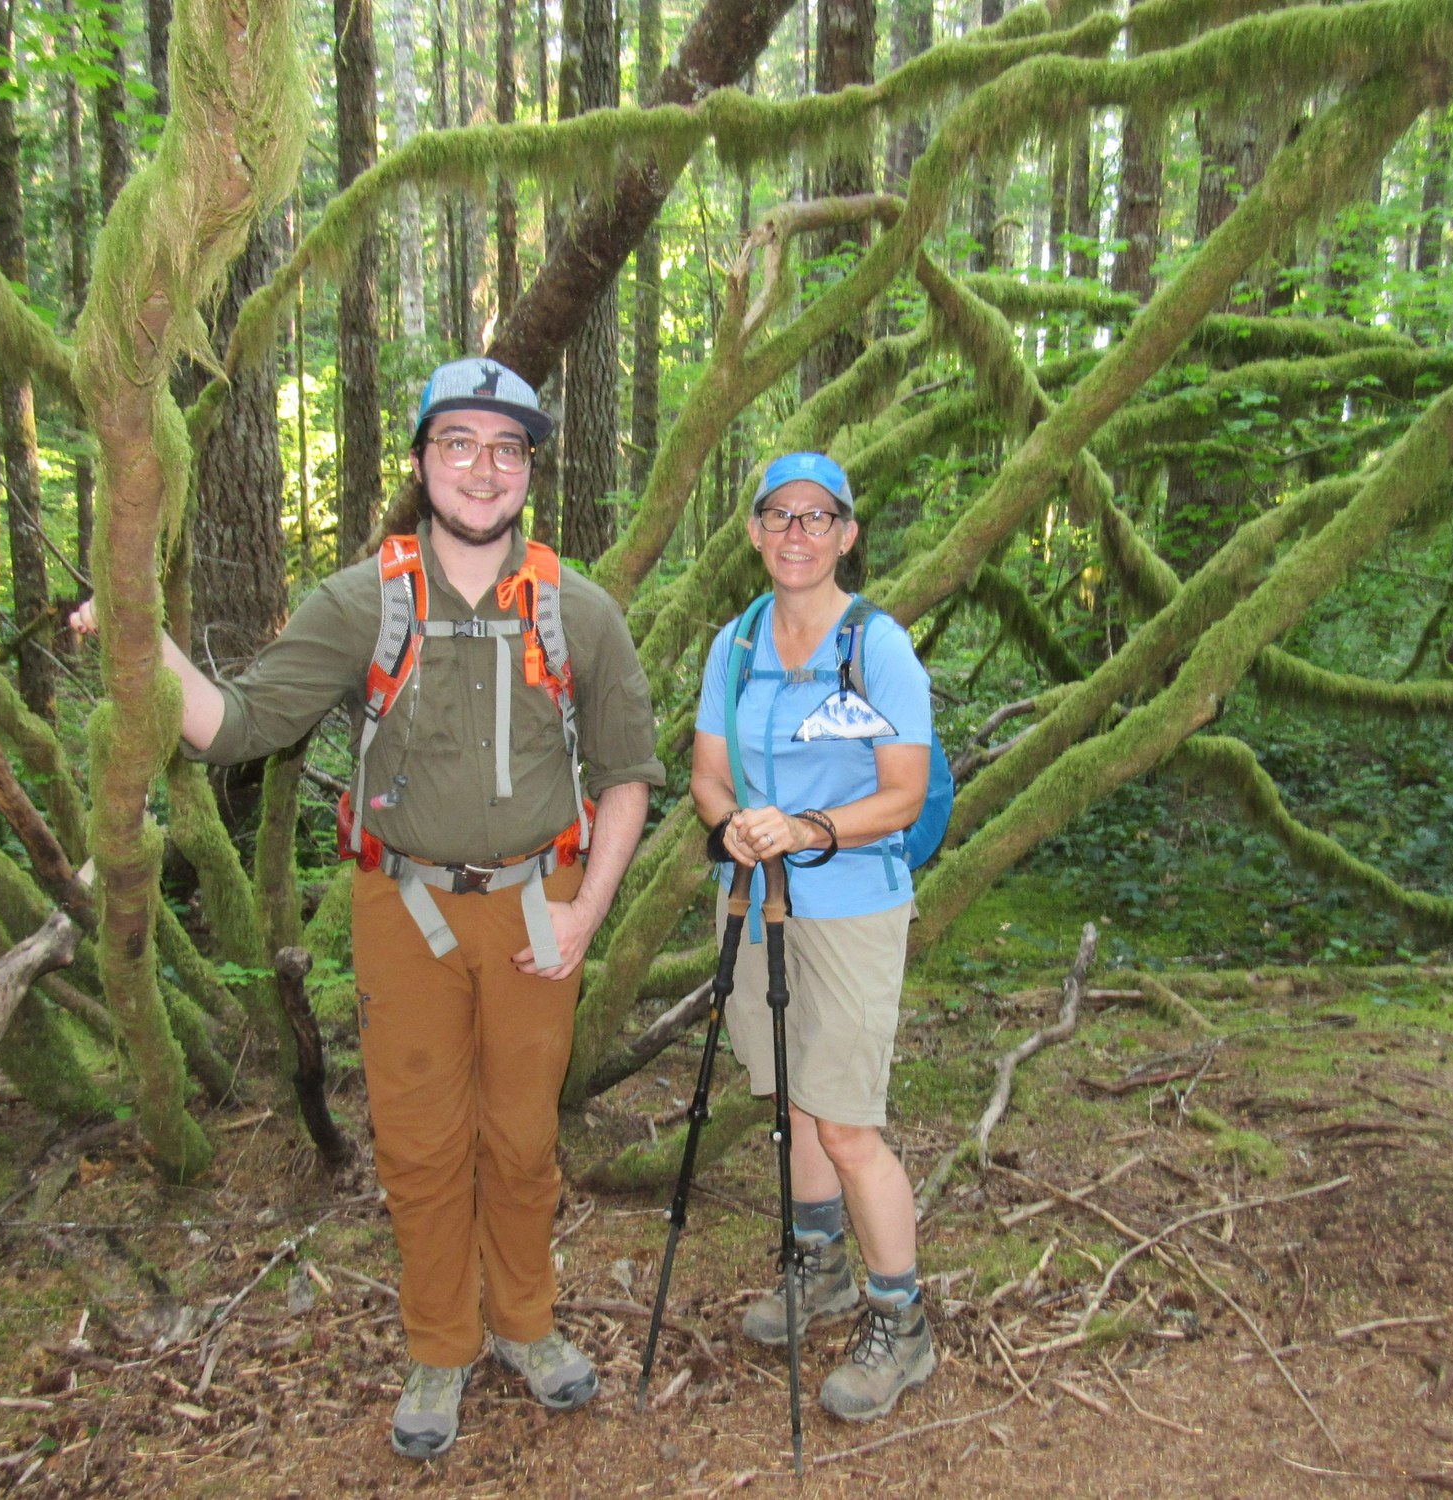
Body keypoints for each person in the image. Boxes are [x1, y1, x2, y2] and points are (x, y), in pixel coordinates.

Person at [73, 358, 664, 1459]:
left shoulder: (580, 611)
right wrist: (141, 639)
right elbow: (234, 726)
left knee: (523, 1137)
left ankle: (527, 1326)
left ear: (527, 470)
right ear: (423, 462)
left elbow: (627, 776)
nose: (481, 470)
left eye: (504, 449)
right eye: (458, 446)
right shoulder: (359, 603)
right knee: (420, 1140)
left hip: (543, 903)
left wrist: (586, 917)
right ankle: (439, 1345)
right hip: (405, 912)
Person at [688, 452, 935, 1423]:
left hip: (849, 909)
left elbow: (903, 794)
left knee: (845, 1122)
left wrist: (808, 830)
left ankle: (898, 1320)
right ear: (752, 532)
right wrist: (737, 827)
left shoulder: (876, 646)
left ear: (845, 534)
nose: (795, 533)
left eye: (816, 516)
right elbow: (709, 771)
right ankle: (817, 1264)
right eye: (777, 516)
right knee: (790, 1102)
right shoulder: (736, 642)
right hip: (754, 899)